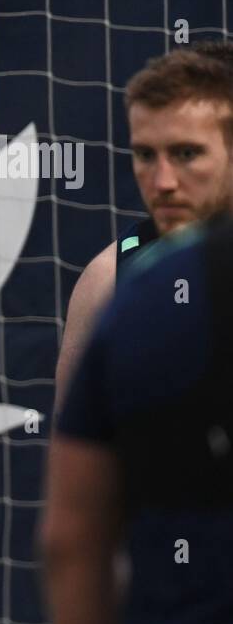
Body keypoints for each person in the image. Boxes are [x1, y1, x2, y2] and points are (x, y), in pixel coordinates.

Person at [45, 214, 233, 624]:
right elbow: (74, 524)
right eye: (147, 165)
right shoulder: (115, 276)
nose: (165, 180)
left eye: (189, 164)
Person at [55, 43, 233, 410]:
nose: (163, 182)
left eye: (187, 153)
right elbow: (74, 437)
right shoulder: (110, 277)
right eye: (145, 155)